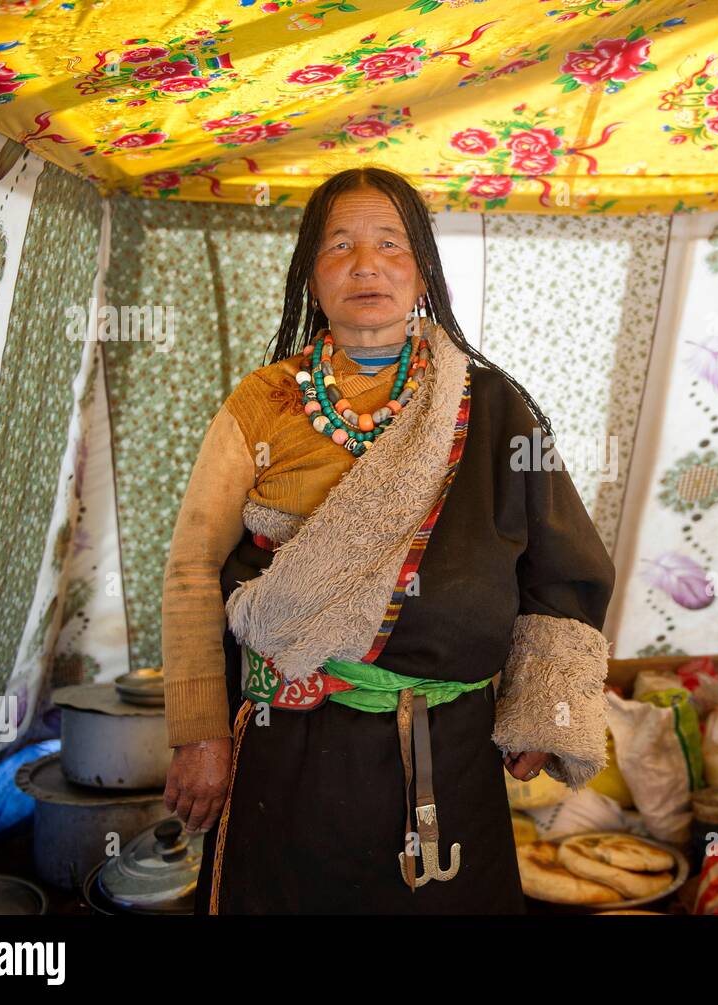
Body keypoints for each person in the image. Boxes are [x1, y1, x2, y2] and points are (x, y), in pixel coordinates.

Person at [159, 166, 615, 913]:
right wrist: (200, 731)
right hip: (294, 748)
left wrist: (544, 711)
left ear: (423, 272)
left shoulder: (492, 409)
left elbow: (561, 569)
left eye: (390, 245)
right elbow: (190, 570)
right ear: (312, 278)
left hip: (454, 751)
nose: (365, 264)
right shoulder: (262, 403)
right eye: (339, 246)